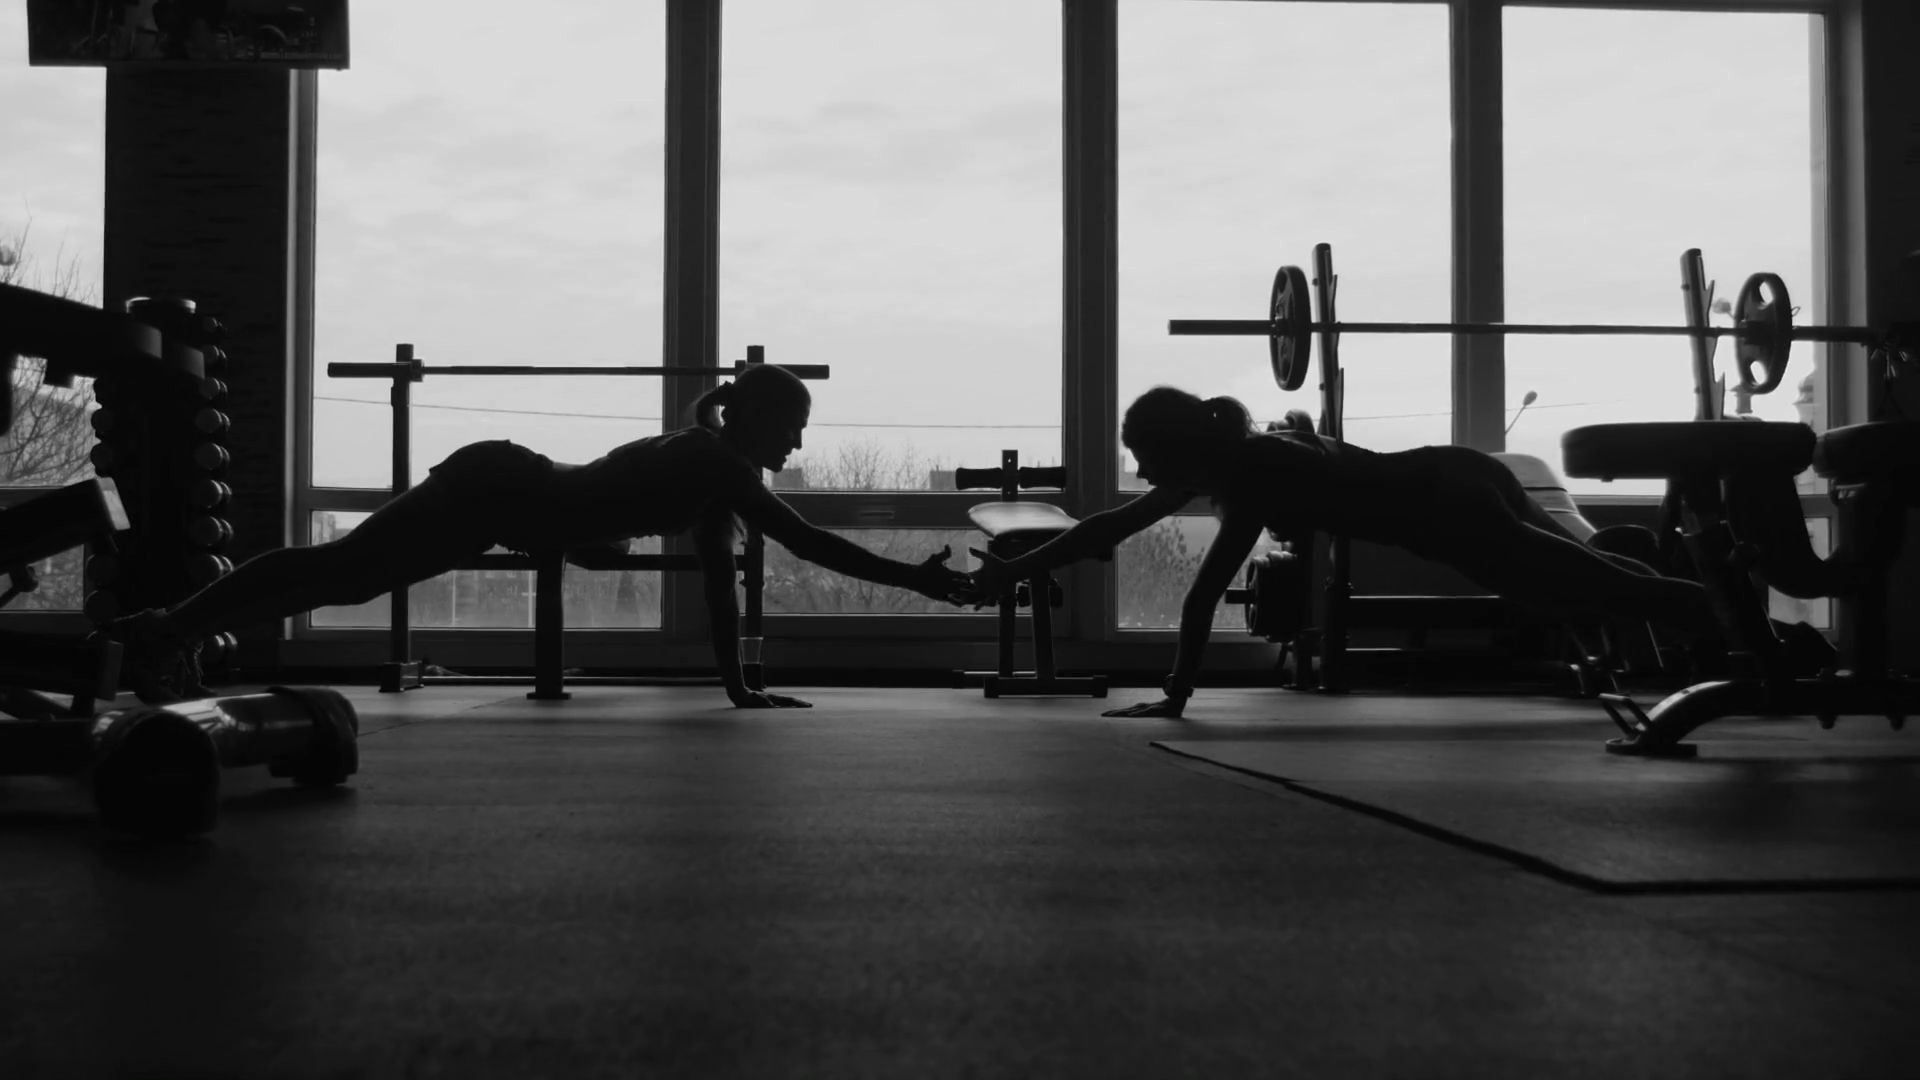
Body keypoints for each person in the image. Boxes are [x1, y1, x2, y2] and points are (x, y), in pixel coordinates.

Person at [112, 364, 972, 706]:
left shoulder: (714, 470)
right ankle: (169, 624)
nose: (799, 442)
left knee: (351, 582)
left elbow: (718, 582)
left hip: (510, 501)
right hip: (501, 485)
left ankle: (175, 626)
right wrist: (931, 587)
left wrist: (740, 691)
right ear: (757, 417)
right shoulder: (716, 464)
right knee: (344, 569)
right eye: (794, 423)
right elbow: (813, 546)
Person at [965, 386, 1731, 719]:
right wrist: (1012, 569)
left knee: (1587, 588)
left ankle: (1752, 641)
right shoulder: (1229, 457)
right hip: (1452, 477)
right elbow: (1107, 529)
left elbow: (1204, 591)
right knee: (1581, 584)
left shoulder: (1251, 468)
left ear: (1176, 444)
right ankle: (1729, 622)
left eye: (1140, 451)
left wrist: (1177, 693)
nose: (1139, 469)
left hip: (1446, 500)